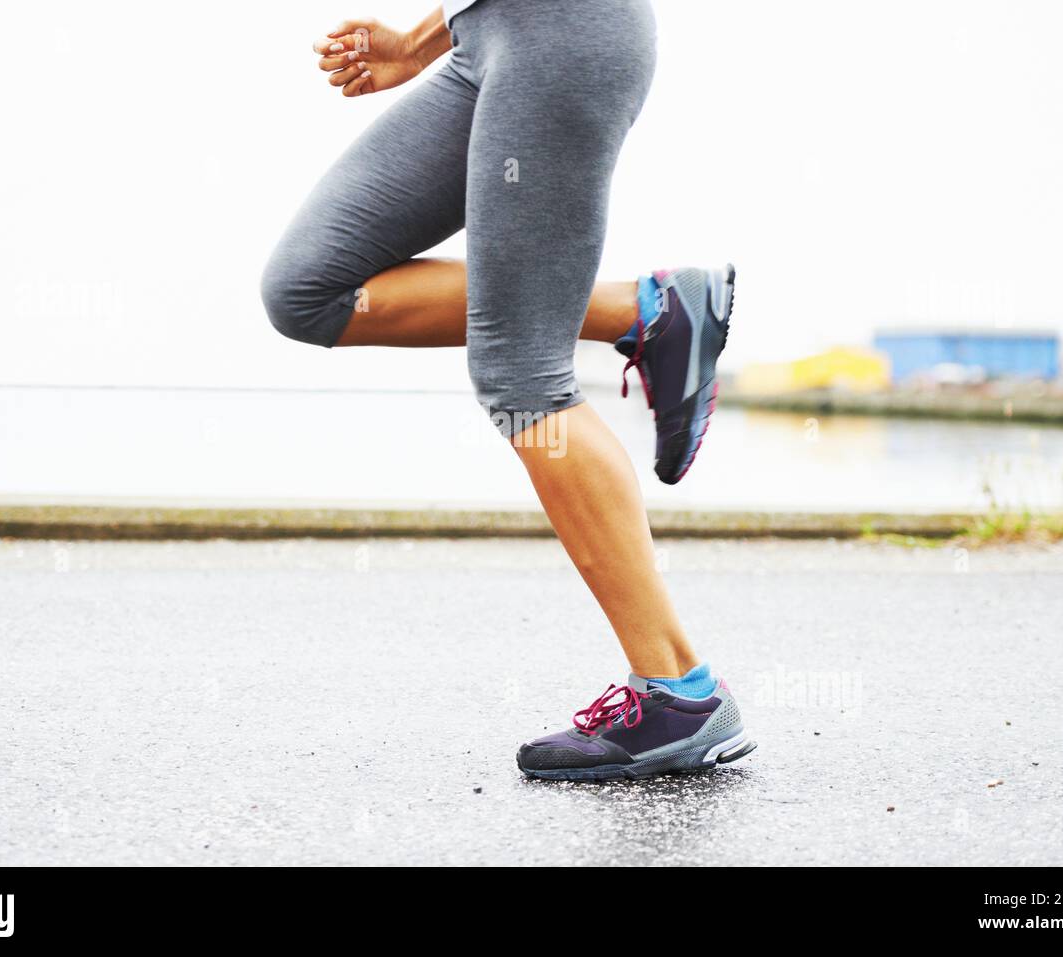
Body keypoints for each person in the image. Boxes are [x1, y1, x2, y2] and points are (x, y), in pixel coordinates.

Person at [261, 0, 754, 779]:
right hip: (489, 39)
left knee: (522, 374)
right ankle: (648, 310)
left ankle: (677, 689)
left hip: (563, 33)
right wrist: (423, 41)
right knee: (305, 289)